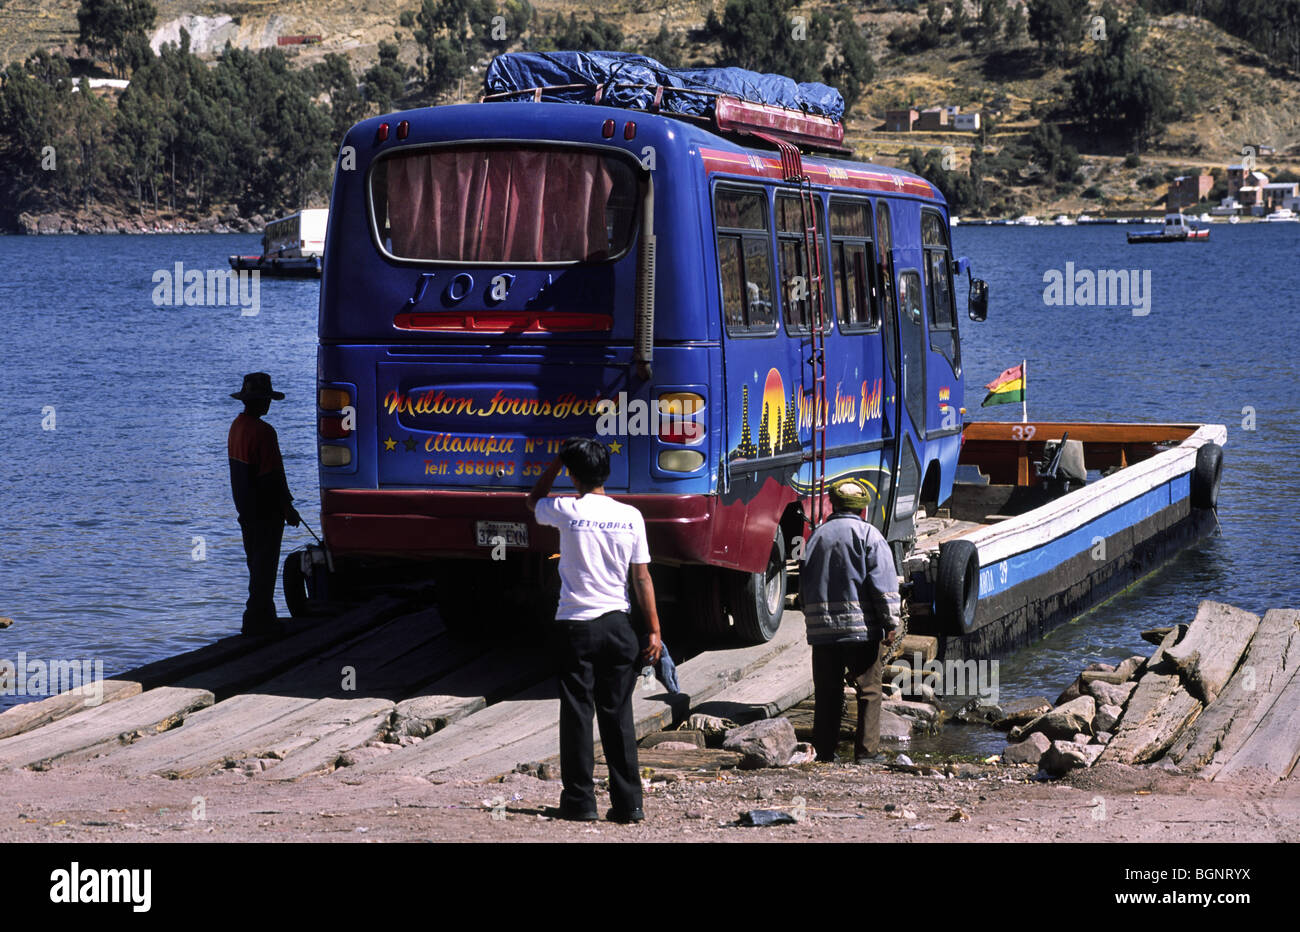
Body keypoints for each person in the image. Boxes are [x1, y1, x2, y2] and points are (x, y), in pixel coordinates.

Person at [526, 438, 662, 823]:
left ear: (572, 474)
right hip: (619, 626)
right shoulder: (631, 516)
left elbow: (532, 501)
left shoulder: (567, 509)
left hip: (575, 625)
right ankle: (628, 805)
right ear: (607, 472)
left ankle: (580, 802)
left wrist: (554, 462)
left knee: (577, 714)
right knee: (618, 715)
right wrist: (653, 630)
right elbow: (642, 578)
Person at [799, 478, 902, 763]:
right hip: (861, 631)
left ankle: (824, 752)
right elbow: (883, 586)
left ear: (834, 504)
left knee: (828, 693)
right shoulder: (870, 537)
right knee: (869, 691)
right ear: (862, 509)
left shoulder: (815, 537)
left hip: (823, 632)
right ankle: (866, 754)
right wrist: (890, 623)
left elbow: (803, 587)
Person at [228, 372, 301, 636]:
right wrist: (287, 508)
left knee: (255, 562)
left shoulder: (236, 427)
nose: (268, 404)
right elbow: (272, 476)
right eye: (266, 399)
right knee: (265, 564)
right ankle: (258, 619)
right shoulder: (264, 432)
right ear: (259, 402)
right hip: (265, 509)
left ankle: (261, 616)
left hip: (244, 507)